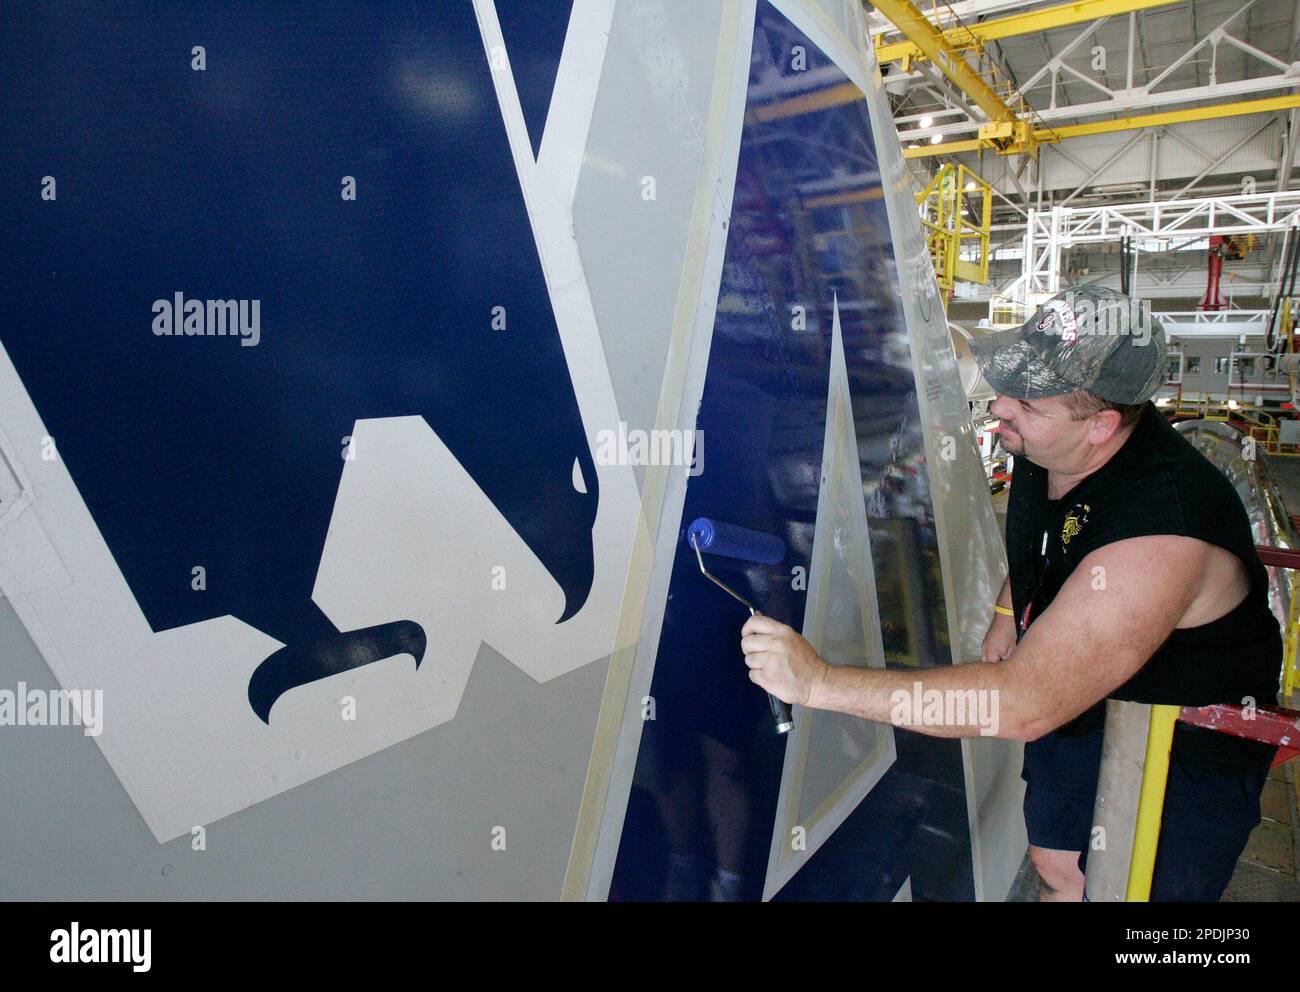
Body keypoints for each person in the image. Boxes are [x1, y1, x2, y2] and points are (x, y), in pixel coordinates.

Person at [741, 285, 1281, 901]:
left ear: (1101, 425)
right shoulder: (1051, 442)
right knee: (1057, 863)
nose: (998, 407)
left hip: (1176, 738)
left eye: (1023, 400)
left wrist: (817, 684)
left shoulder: (1159, 534)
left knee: (1141, 898)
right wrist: (1009, 606)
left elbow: (1023, 705)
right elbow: (1054, 539)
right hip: (1086, 700)